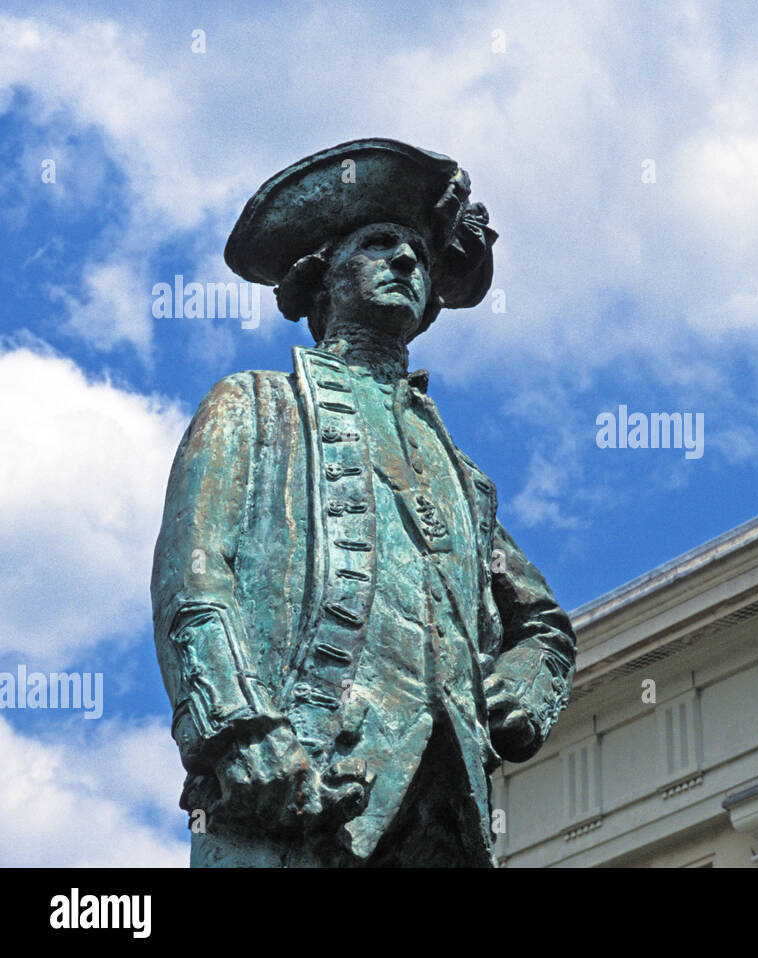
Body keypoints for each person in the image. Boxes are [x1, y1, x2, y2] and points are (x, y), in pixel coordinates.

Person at [151, 138, 576, 866]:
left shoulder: (462, 475)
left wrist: (525, 691)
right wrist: (239, 731)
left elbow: (542, 623)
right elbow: (195, 577)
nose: (407, 262)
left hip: (449, 815)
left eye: (417, 252)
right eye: (379, 244)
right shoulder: (254, 407)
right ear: (322, 281)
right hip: (301, 785)